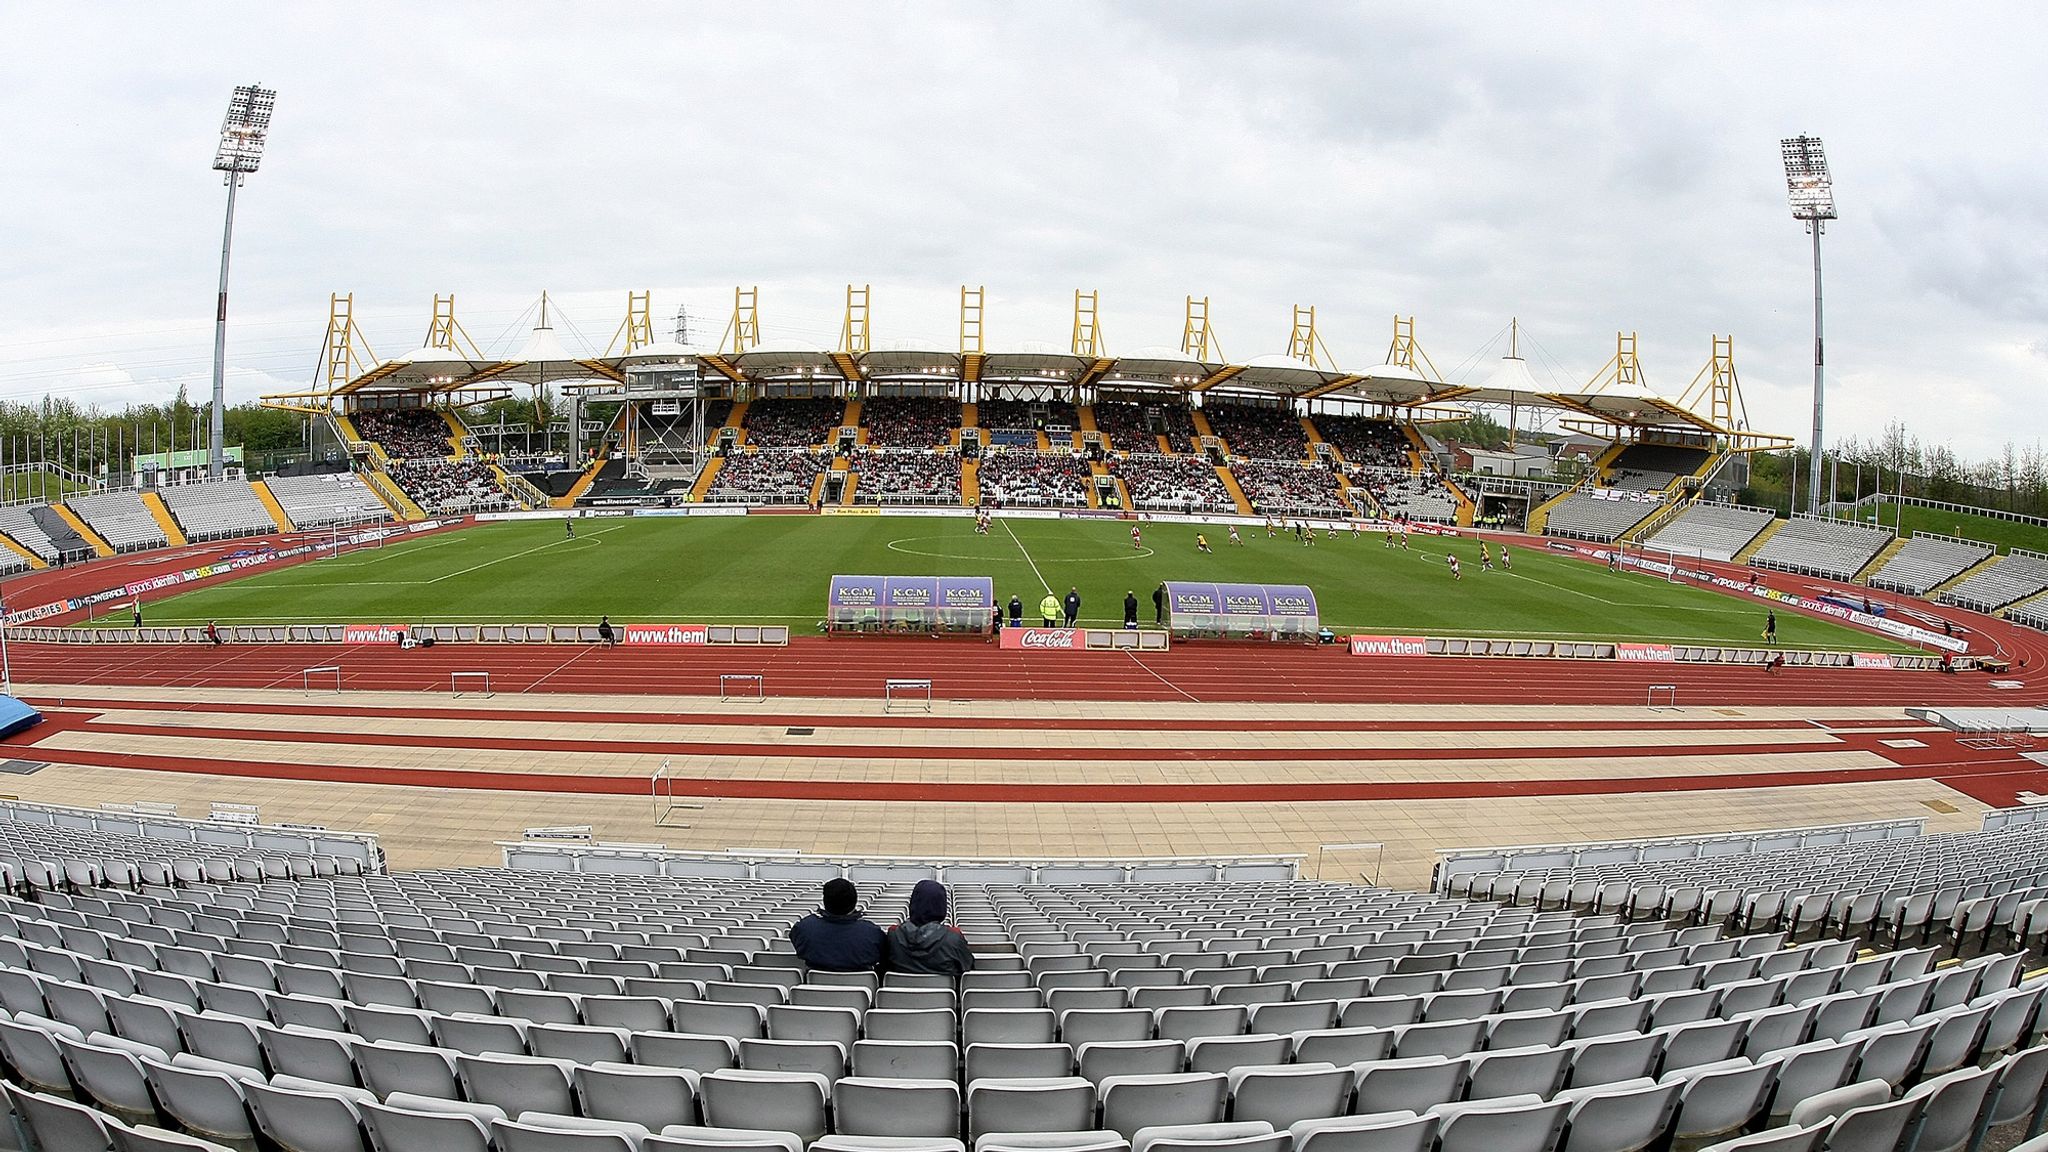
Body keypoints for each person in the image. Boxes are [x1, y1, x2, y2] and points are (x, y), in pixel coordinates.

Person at [789, 879, 885, 973]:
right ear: (854, 901)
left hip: (815, 983)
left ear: (825, 901)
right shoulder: (872, 933)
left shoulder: (804, 929)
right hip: (861, 983)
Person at [884, 879, 976, 976]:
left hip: (900, 986)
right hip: (943, 986)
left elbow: (884, 967)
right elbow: (968, 969)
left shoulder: (893, 936)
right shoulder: (954, 938)